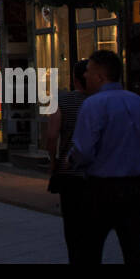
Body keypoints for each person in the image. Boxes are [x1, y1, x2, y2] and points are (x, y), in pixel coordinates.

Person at [69, 49, 140, 264]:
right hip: (136, 186)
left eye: (88, 71)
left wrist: (73, 160)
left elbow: (84, 150)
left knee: (88, 249)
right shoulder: (139, 103)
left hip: (101, 188)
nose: (84, 75)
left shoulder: (93, 104)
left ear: (100, 76)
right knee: (135, 248)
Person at [46, 60, 91, 262]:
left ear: (74, 78)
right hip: (97, 172)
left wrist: (52, 159)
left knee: (72, 226)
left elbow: (52, 134)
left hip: (68, 170)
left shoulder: (63, 101)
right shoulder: (98, 100)